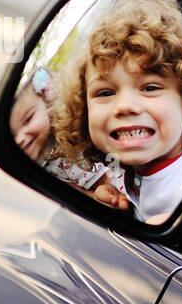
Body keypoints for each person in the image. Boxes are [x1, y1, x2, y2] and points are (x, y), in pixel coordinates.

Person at [50, 0, 182, 224]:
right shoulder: (127, 179)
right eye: (104, 93)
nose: (125, 106)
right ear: (84, 113)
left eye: (150, 88)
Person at [9, 66, 128, 210]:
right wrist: (104, 200)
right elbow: (79, 196)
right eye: (11, 134)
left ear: (46, 102)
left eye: (28, 119)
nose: (19, 139)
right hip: (123, 199)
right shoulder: (41, 171)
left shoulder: (70, 123)